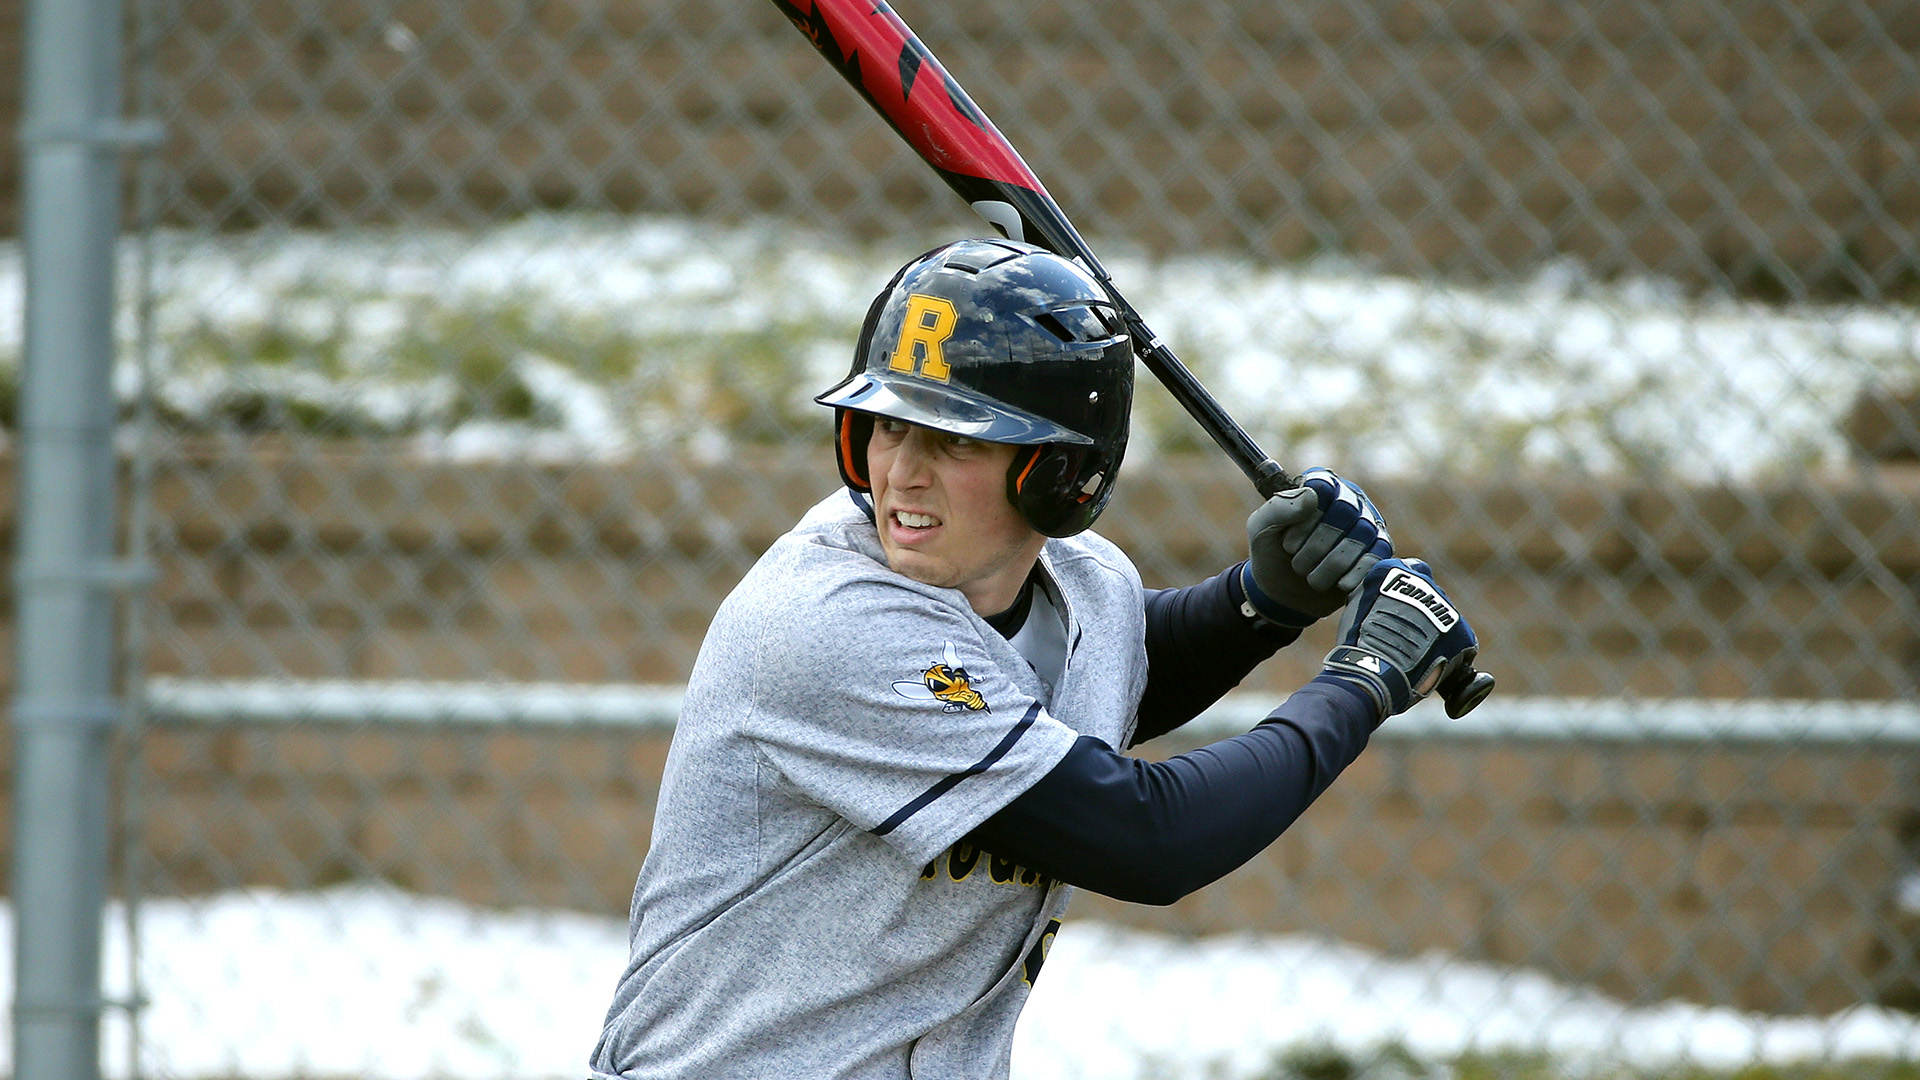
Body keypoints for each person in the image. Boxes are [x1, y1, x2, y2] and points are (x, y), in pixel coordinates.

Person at [589, 238, 1483, 1079]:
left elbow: (1105, 676)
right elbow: (1146, 839)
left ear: (1058, 472)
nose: (901, 473)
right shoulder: (828, 621)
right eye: (886, 427)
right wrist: (1362, 682)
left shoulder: (1084, 581)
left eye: (955, 440)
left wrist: (1261, 602)